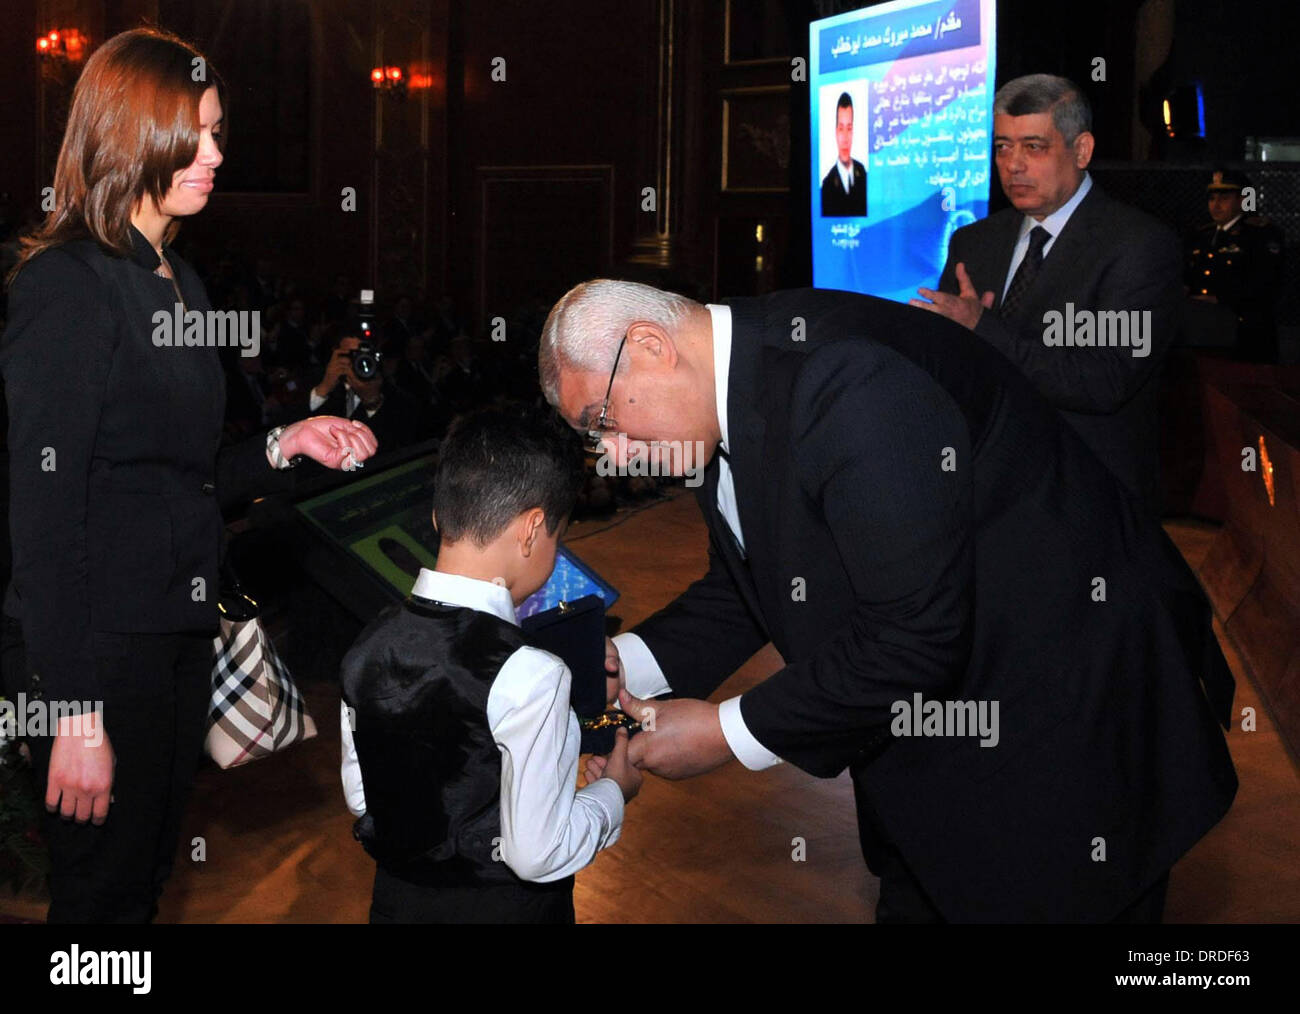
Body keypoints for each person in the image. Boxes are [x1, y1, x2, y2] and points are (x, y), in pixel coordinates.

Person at [540, 278, 1236, 923]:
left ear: (652, 347)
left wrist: (729, 732)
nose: (617, 455)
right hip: (945, 737)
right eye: (595, 438)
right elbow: (752, 585)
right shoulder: (726, 387)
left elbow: (914, 636)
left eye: (605, 420)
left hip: (1068, 729)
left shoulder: (845, 379)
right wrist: (623, 665)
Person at [0, 28, 378, 923]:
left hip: (173, 634)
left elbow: (180, 474)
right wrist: (75, 717)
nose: (217, 154)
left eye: (218, 131)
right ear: (132, 136)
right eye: (197, 135)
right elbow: (45, 519)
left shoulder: (179, 278)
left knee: (141, 882)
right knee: (100, 898)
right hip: (95, 655)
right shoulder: (68, 286)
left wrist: (286, 447)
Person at [339, 406, 639, 923]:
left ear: (438, 517)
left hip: (395, 906)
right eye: (557, 537)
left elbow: (365, 801)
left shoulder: (367, 647)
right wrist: (615, 791)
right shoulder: (532, 675)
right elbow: (537, 852)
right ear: (532, 530)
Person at [914, 74, 1181, 517]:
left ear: (1082, 150)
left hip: (1091, 503)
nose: (1013, 165)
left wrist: (983, 330)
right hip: (987, 495)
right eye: (1003, 147)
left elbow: (1104, 380)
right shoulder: (973, 243)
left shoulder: (1139, 246)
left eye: (1033, 147)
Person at [1185, 167, 1284, 363]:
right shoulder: (1202, 235)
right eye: (1212, 199)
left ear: (1242, 200)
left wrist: (1220, 298)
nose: (1216, 205)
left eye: (1224, 199)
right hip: (1203, 327)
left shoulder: (1259, 234)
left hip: (1245, 330)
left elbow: (1266, 282)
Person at [820, 92, 867, 217]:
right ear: (835, 132)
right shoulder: (826, 186)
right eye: (841, 129)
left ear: (853, 131)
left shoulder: (864, 175)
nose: (845, 138)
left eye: (849, 128)